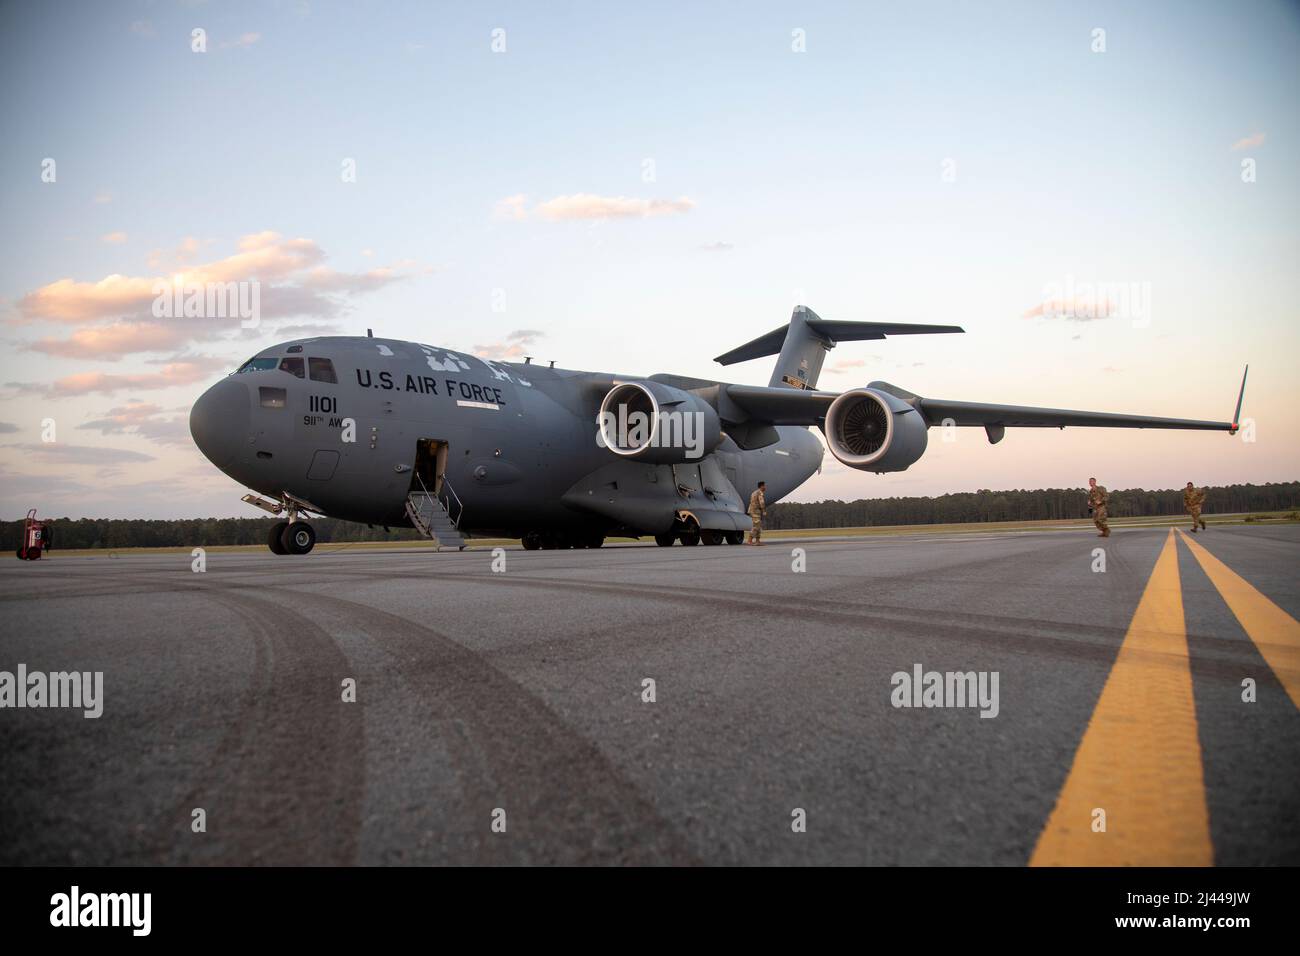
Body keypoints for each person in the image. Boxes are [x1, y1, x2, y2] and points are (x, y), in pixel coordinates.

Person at [747, 481, 767, 546]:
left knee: (758, 525)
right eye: (764, 486)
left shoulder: (754, 492)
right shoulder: (759, 493)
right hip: (755, 511)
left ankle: (757, 541)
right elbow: (762, 503)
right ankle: (749, 540)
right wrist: (764, 511)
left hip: (754, 511)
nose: (765, 487)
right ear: (761, 486)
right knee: (756, 526)